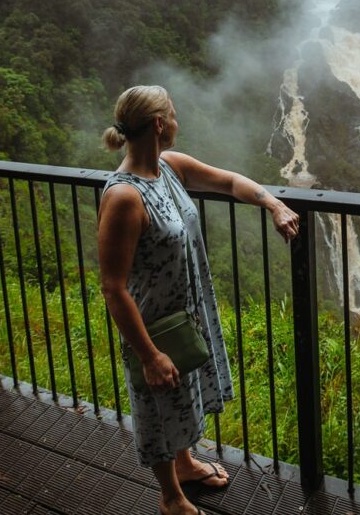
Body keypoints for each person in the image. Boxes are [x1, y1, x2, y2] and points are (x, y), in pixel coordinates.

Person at [97, 85, 300, 515]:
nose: (177, 121)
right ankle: (170, 497)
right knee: (156, 404)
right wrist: (149, 354)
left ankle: (186, 464)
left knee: (184, 392)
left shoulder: (169, 166)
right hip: (152, 323)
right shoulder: (123, 198)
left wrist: (271, 203)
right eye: (173, 114)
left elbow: (227, 181)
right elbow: (113, 287)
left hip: (186, 311)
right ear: (158, 124)